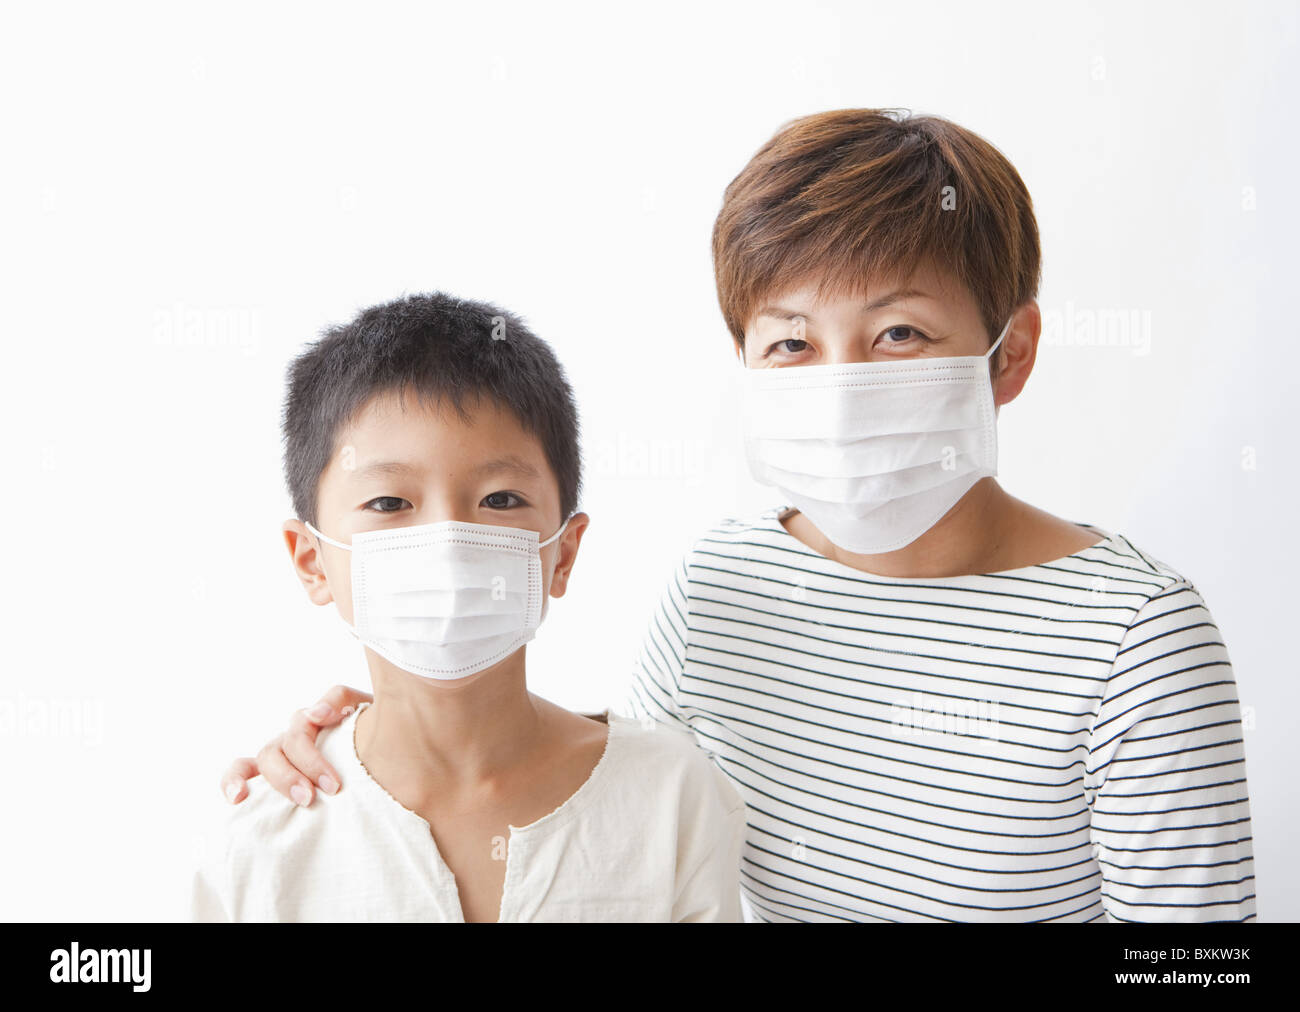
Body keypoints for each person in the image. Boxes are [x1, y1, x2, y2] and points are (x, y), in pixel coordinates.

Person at [220, 110, 1256, 922]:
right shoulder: (722, 587)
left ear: (1010, 354)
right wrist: (378, 746)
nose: (842, 380)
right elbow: (615, 795)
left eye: (897, 332)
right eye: (792, 342)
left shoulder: (1133, 638)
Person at [191, 292, 746, 922]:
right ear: (312, 559)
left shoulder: (672, 800)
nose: (450, 540)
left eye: (501, 499)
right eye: (388, 502)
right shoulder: (261, 840)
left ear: (562, 554)